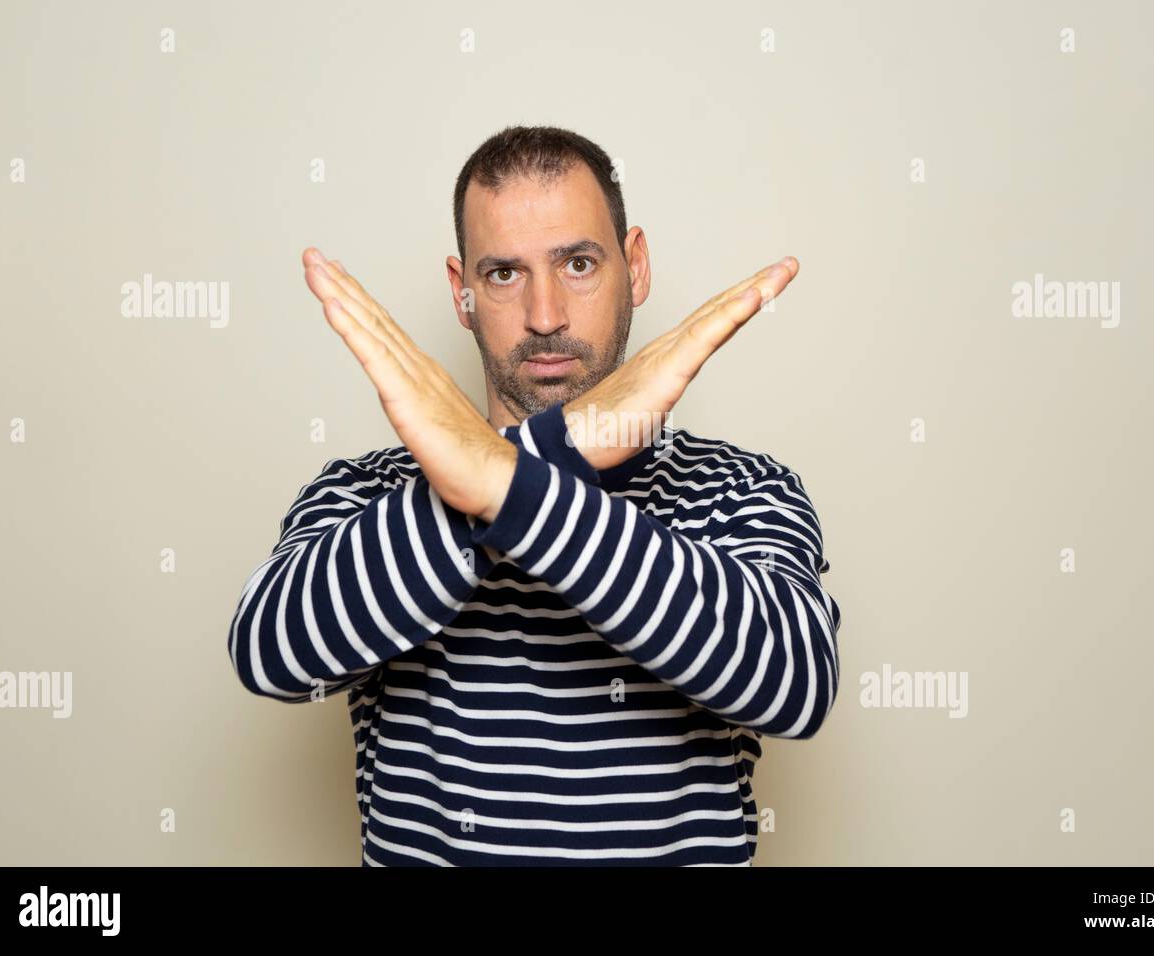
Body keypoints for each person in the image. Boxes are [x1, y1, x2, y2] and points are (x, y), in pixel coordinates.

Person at [226, 125, 841, 865]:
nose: (545, 315)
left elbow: (794, 686)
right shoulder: (367, 492)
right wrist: (560, 452)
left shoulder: (739, 489)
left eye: (578, 263)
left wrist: (510, 479)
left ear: (635, 265)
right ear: (461, 290)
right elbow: (272, 655)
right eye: (504, 274)